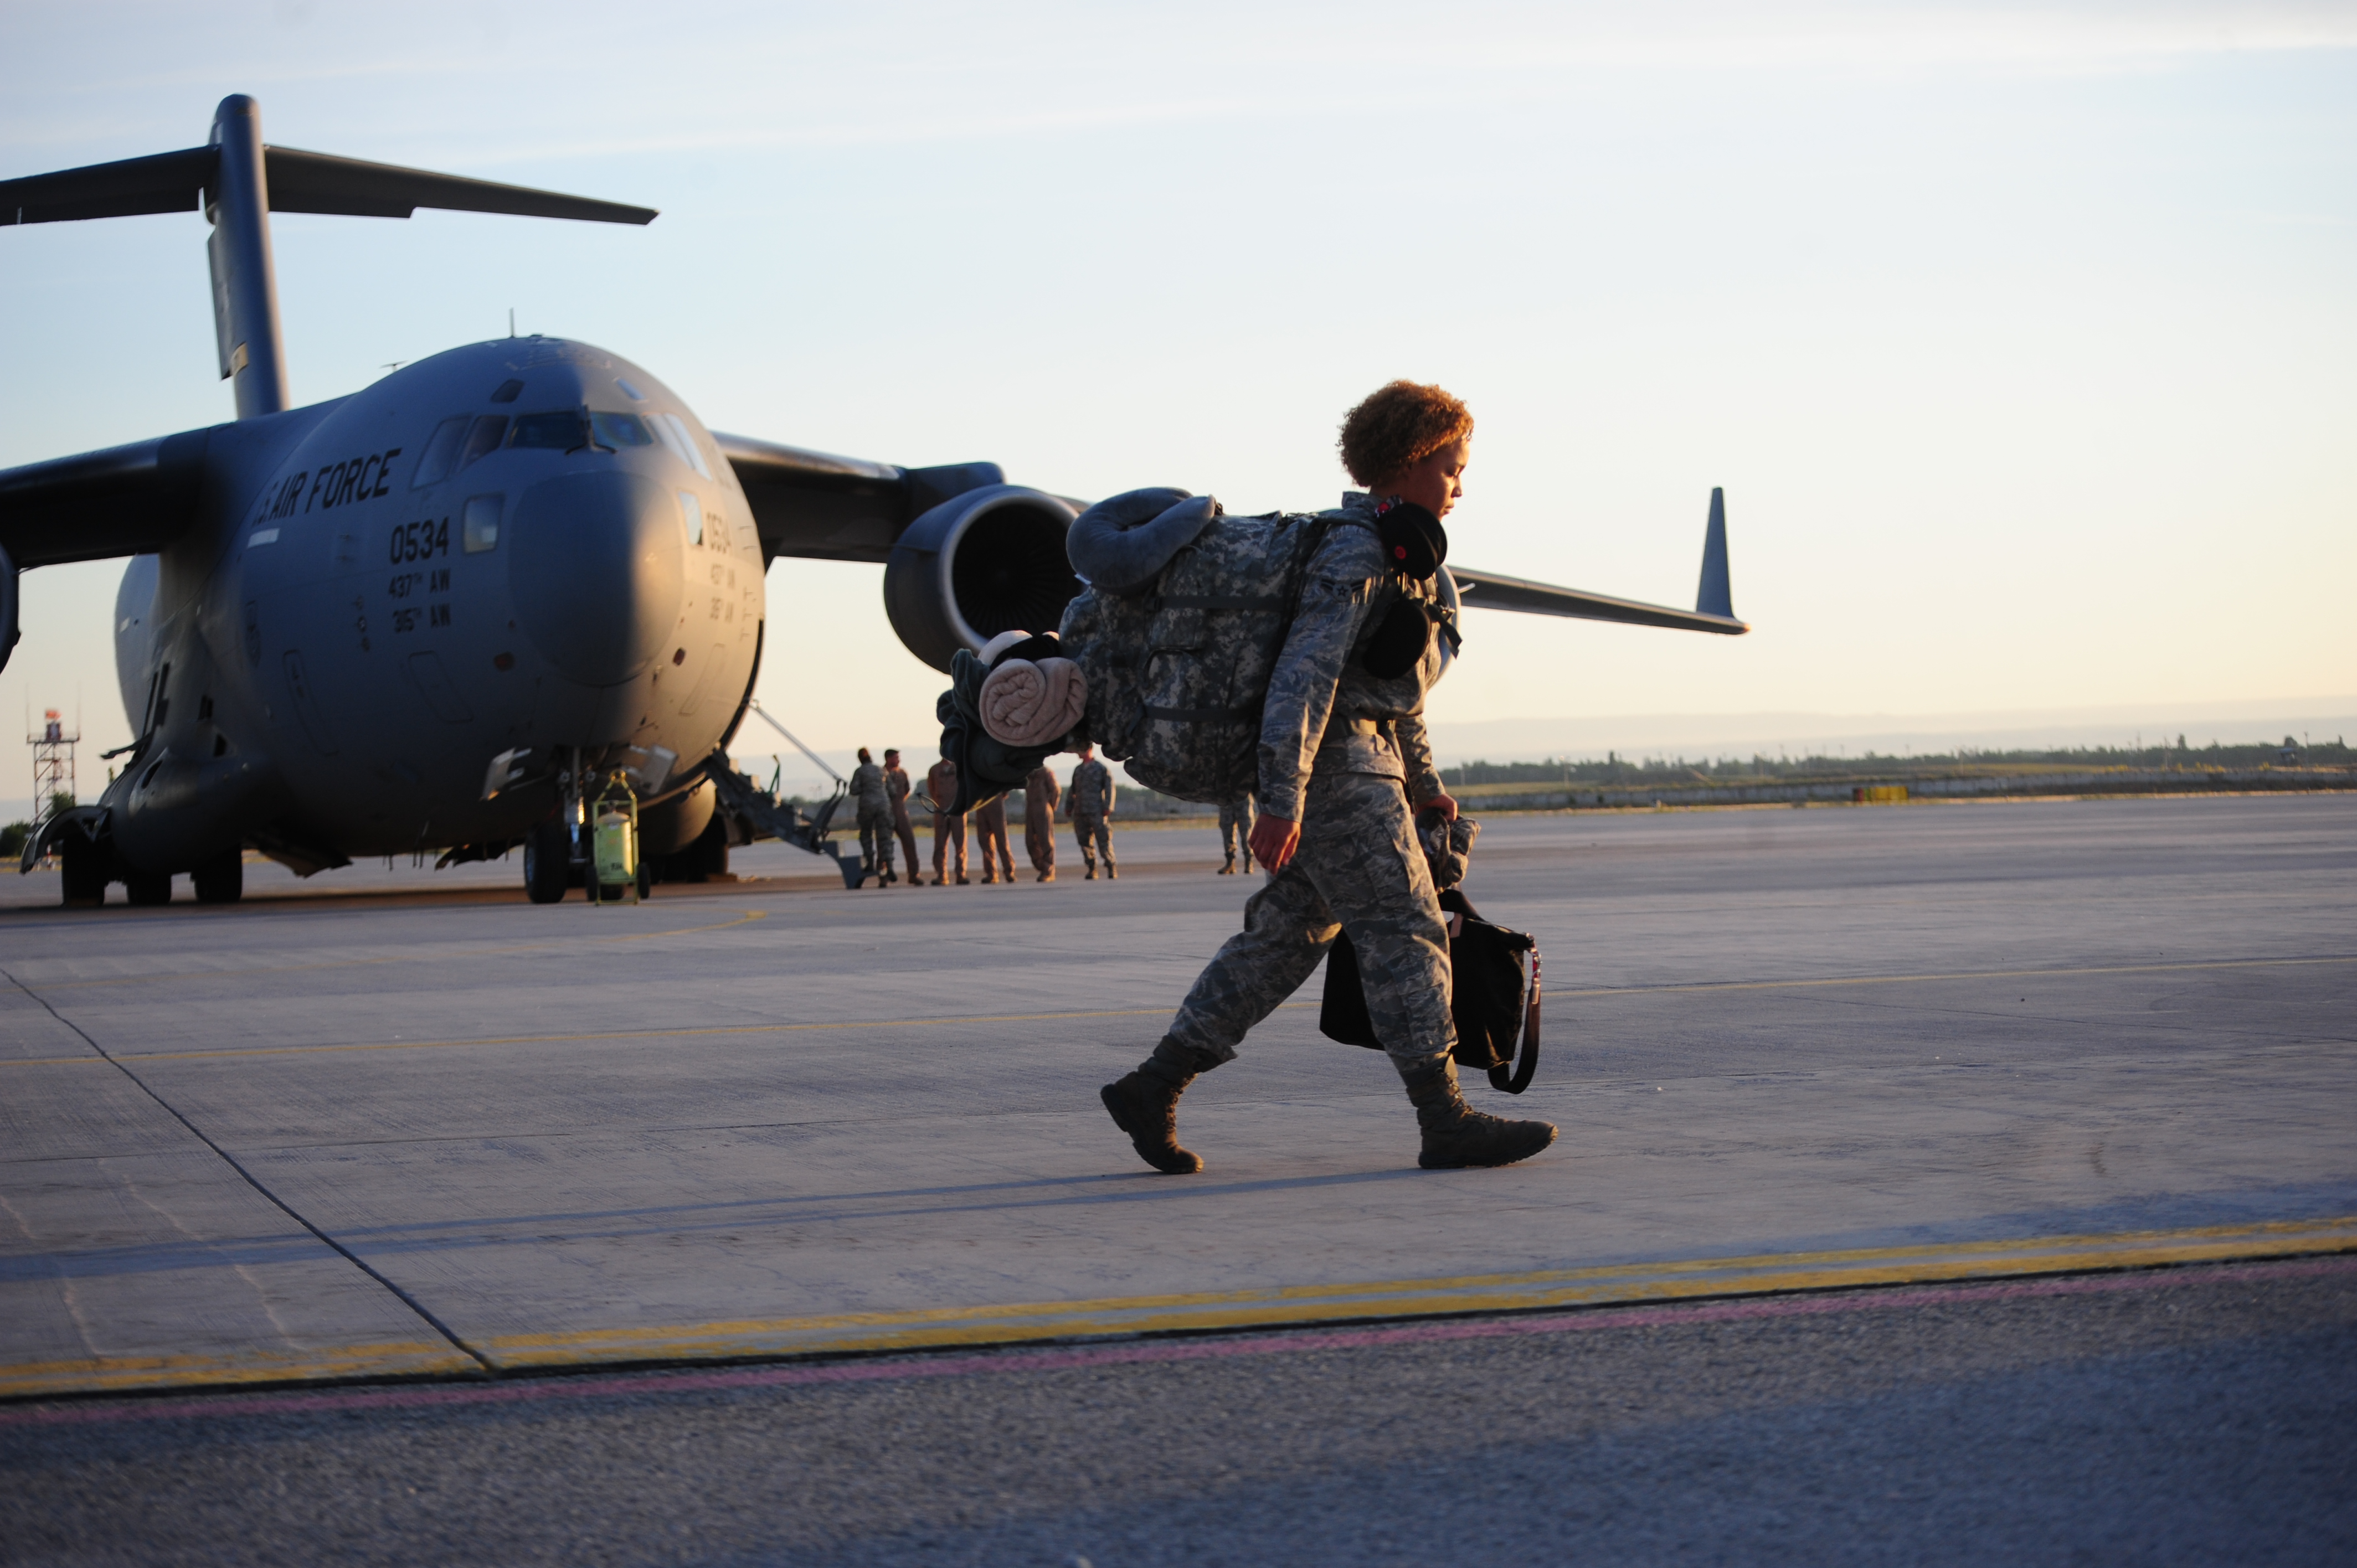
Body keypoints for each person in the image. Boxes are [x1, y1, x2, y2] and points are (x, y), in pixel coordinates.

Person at [1099, 380, 1556, 1174]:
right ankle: (1444, 1119)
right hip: (1340, 778)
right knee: (1406, 931)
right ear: (1412, 461)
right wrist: (1281, 800)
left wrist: (1423, 781)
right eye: (1451, 466)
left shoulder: (1403, 554)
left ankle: (1154, 1085)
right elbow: (1304, 678)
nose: (1460, 485)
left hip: (1357, 769)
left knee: (1281, 941)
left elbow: (1390, 689)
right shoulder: (1358, 551)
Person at [1068, 744, 1117, 880]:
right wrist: (1069, 806)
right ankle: (1092, 868)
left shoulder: (1100, 768)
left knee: (1104, 841)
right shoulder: (1078, 770)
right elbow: (1073, 790)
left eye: (1081, 750)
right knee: (1084, 842)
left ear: (1089, 749)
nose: (1078, 753)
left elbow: (1109, 788)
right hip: (1080, 812)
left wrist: (1108, 806)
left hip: (1097, 811)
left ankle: (1111, 866)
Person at [848, 746, 894, 887]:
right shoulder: (881, 770)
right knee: (885, 837)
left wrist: (866, 788)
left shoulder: (860, 771)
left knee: (866, 834)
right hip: (883, 805)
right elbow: (893, 790)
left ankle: (869, 863)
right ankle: (890, 866)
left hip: (867, 805)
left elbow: (854, 790)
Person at [927, 749, 967, 885]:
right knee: (940, 844)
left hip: (958, 810)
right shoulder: (934, 770)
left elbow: (967, 786)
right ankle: (941, 875)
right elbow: (932, 789)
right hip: (941, 810)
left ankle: (961, 874)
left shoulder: (961, 767)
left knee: (960, 843)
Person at [884, 749, 923, 887]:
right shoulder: (881, 774)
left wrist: (899, 803)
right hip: (885, 812)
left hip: (900, 810)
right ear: (888, 759)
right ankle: (884, 876)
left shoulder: (902, 773)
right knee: (884, 845)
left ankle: (914, 875)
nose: (898, 761)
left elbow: (907, 790)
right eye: (896, 758)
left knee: (910, 842)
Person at [1023, 763, 1062, 881]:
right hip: (1030, 809)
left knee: (1046, 840)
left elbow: (1056, 790)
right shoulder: (1027, 773)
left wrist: (1051, 807)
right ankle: (1042, 866)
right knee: (1030, 841)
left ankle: (1048, 870)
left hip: (1043, 808)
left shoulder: (1045, 772)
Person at [970, 795, 1015, 884]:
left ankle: (1009, 871)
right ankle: (991, 873)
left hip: (995, 800)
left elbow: (1007, 785)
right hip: (981, 802)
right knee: (984, 841)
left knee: (1001, 840)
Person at [1217, 791, 1255, 875]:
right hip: (1226, 801)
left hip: (1243, 799)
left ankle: (1249, 863)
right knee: (1227, 833)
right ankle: (1230, 864)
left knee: (1246, 834)